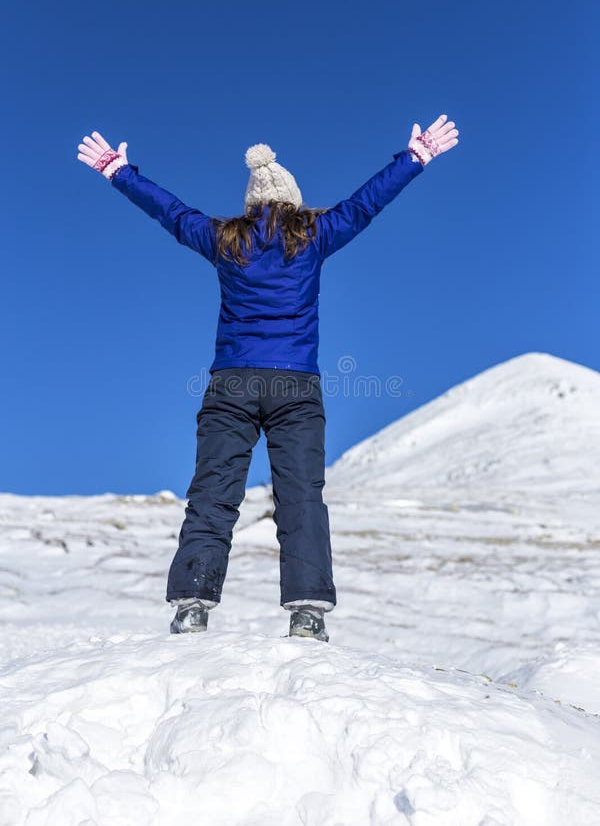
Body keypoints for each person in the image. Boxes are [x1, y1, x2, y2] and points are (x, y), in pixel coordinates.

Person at [77, 114, 459, 641]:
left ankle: (193, 604)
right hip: (295, 385)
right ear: (292, 199)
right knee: (301, 496)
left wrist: (119, 171)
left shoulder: (224, 240)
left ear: (252, 201)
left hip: (231, 383)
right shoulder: (315, 235)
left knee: (213, 493)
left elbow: (170, 212)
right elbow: (367, 203)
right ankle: (306, 613)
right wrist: (414, 158)